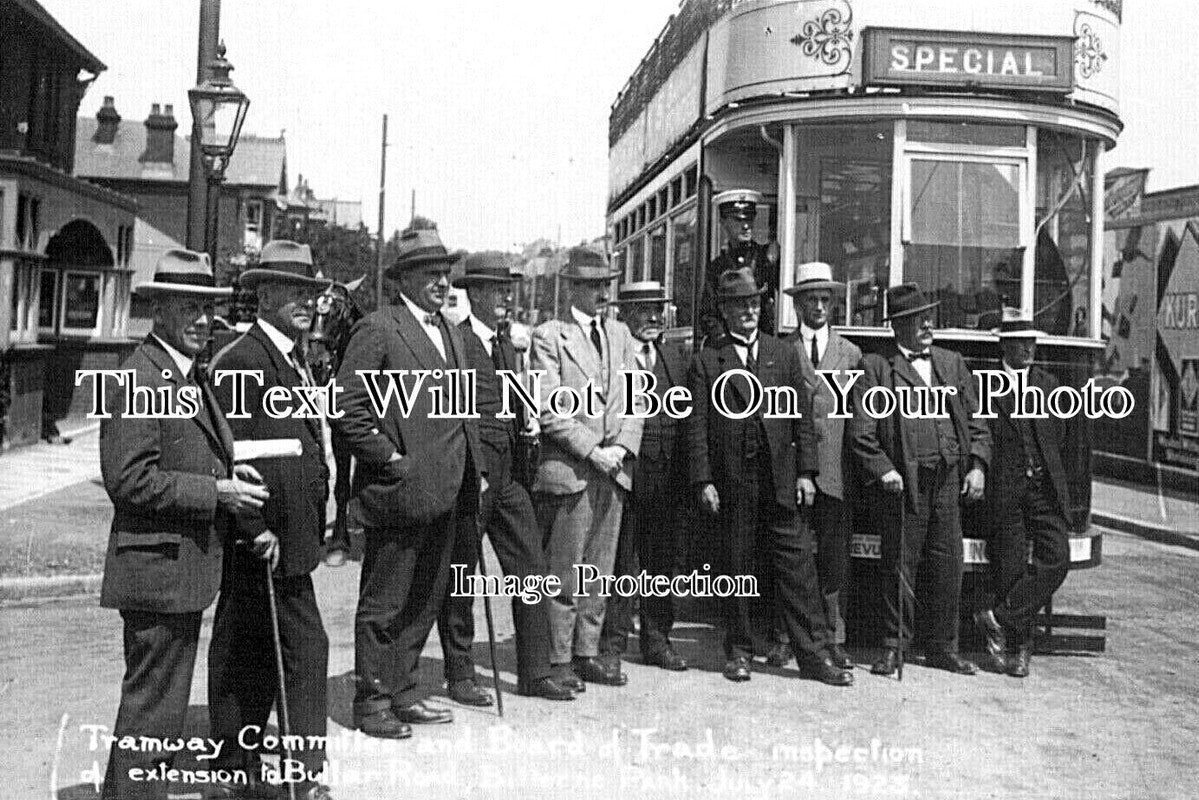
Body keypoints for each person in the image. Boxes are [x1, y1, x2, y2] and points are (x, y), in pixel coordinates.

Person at [97, 250, 272, 800]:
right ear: (159, 310)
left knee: (159, 715)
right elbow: (129, 480)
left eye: (209, 308)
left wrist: (225, 468)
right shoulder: (141, 375)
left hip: (177, 569)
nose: (203, 319)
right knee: (152, 715)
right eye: (190, 307)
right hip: (158, 571)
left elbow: (179, 453)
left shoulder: (184, 373)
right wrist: (217, 491)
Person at [333, 228, 484, 737]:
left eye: (445, 273)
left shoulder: (452, 331)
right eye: (430, 274)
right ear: (404, 280)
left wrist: (475, 470)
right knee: (386, 600)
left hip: (450, 489)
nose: (442, 283)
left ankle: (402, 687)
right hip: (400, 492)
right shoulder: (379, 329)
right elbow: (348, 409)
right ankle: (372, 699)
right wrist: (392, 459)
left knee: (426, 596)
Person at [206, 240, 334, 799]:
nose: (307, 302)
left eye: (312, 292)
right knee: (303, 650)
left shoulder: (293, 357)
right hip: (264, 538)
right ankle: (303, 777)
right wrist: (255, 530)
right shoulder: (242, 359)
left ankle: (238, 764)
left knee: (247, 649)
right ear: (264, 294)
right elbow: (234, 457)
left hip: (288, 536)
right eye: (293, 291)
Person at [688, 268, 853, 687]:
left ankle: (814, 657)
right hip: (733, 481)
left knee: (798, 568)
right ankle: (740, 652)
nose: (747, 310)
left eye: (753, 303)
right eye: (737, 304)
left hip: (779, 481)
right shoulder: (709, 361)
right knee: (738, 564)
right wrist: (703, 480)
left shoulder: (782, 353)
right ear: (724, 312)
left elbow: (801, 418)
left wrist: (807, 474)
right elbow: (698, 427)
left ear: (763, 307)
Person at [435, 253, 576, 703]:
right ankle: (460, 675)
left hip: (509, 474)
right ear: (473, 293)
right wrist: (467, 470)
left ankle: (536, 672)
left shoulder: (504, 344)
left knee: (531, 568)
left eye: (507, 290)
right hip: (472, 475)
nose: (505, 299)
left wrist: (525, 418)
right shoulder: (453, 342)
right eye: (497, 290)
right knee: (463, 574)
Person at [849, 284, 991, 677]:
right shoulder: (877, 367)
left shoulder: (952, 362)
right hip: (904, 482)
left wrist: (977, 465)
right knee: (900, 566)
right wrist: (884, 470)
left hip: (948, 481)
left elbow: (977, 422)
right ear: (898, 327)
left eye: (929, 316)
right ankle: (894, 647)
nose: (928, 324)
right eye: (917, 319)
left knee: (948, 565)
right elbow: (861, 433)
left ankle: (944, 647)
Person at [530, 246, 644, 690]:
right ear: (573, 288)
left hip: (613, 468)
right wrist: (593, 449)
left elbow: (638, 397)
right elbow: (548, 407)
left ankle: (586, 652)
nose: (603, 293)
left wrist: (622, 448)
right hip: (573, 469)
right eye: (594, 285)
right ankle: (558, 658)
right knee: (565, 569)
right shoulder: (549, 337)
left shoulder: (620, 335)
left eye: (606, 285)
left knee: (600, 568)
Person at [973, 309, 1073, 678]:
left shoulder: (1049, 384)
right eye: (1021, 342)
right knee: (1011, 569)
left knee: (1057, 558)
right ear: (1006, 345)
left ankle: (997, 617)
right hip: (1005, 491)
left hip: (1044, 490)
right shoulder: (985, 384)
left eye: (1032, 342)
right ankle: (1019, 650)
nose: (1029, 348)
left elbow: (1060, 435)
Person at [598, 281, 690, 673]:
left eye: (658, 309)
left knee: (660, 563)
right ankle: (612, 645)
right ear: (625, 315)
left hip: (666, 477)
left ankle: (657, 641)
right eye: (643, 310)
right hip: (625, 472)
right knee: (622, 563)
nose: (653, 317)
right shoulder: (614, 356)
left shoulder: (674, 356)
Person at [778, 262, 862, 670]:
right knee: (792, 555)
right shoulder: (782, 350)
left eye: (826, 299)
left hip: (835, 472)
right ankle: (784, 636)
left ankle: (833, 636)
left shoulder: (850, 353)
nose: (819, 306)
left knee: (832, 558)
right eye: (811, 299)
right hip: (793, 468)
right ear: (797, 305)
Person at [699, 189, 779, 339]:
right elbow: (708, 314)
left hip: (763, 345)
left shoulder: (765, 260)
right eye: (739, 220)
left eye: (749, 220)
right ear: (723, 222)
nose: (746, 226)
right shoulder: (717, 267)